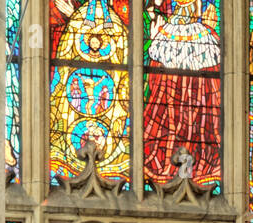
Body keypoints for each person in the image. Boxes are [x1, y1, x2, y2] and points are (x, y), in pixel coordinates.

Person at [142, 0, 222, 187]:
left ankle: (186, 163)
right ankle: (181, 162)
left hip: (195, 34)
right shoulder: (201, 34)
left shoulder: (196, 27)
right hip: (172, 34)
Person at [50, 0, 131, 182]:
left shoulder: (116, 15)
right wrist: (73, 15)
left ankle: (114, 154)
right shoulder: (78, 17)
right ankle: (66, 152)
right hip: (76, 34)